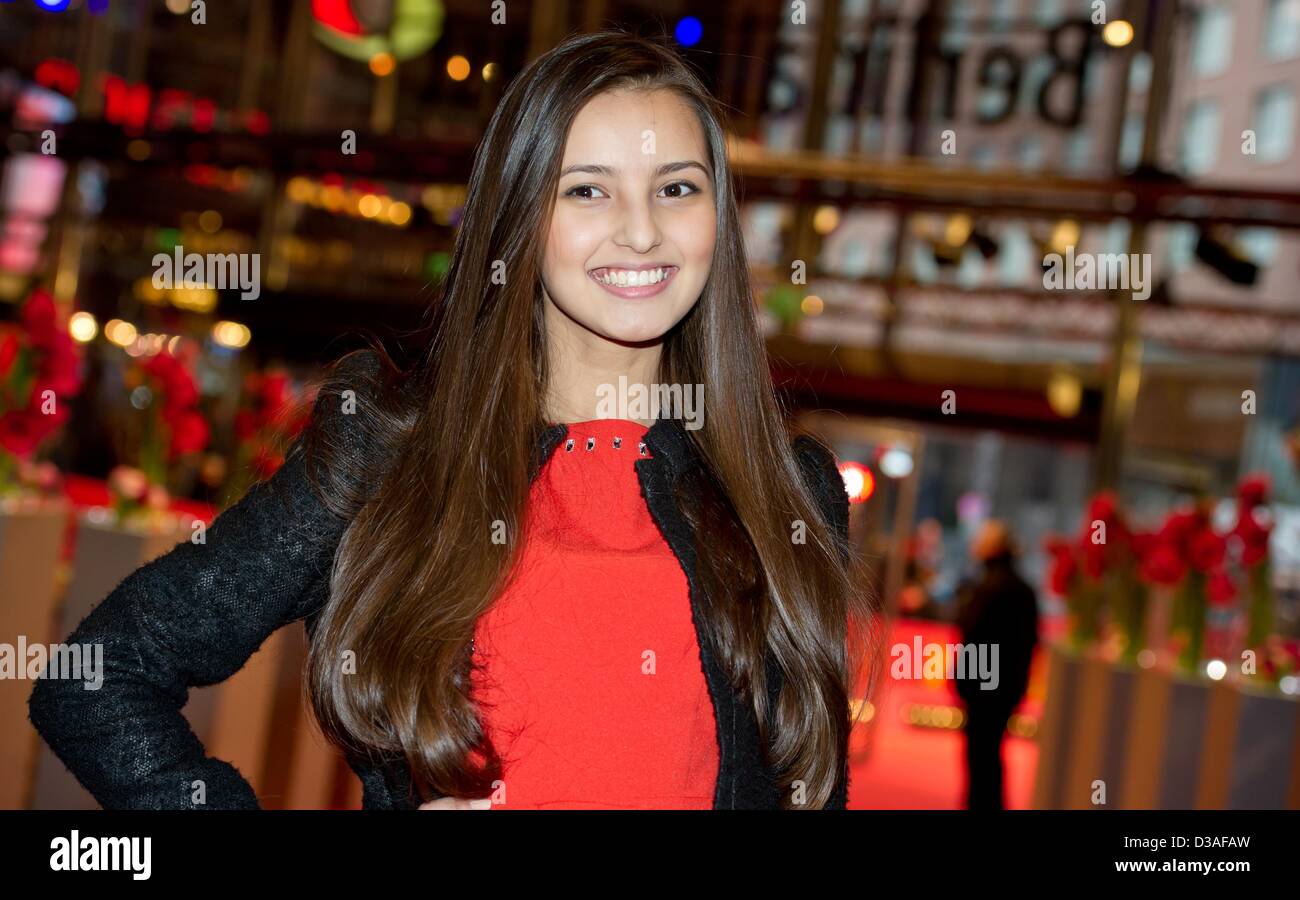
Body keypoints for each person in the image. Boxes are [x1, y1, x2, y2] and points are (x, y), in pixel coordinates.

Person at [29, 30, 880, 810]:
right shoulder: (391, 455)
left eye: (677, 188)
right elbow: (95, 676)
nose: (641, 230)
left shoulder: (787, 498)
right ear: (520, 219)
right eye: (587, 189)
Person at [954, 520, 1039, 810]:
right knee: (989, 755)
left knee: (982, 757)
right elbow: (1029, 645)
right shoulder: (1021, 589)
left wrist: (964, 682)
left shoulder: (990, 588)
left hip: (984, 690)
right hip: (1003, 689)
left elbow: (975, 640)